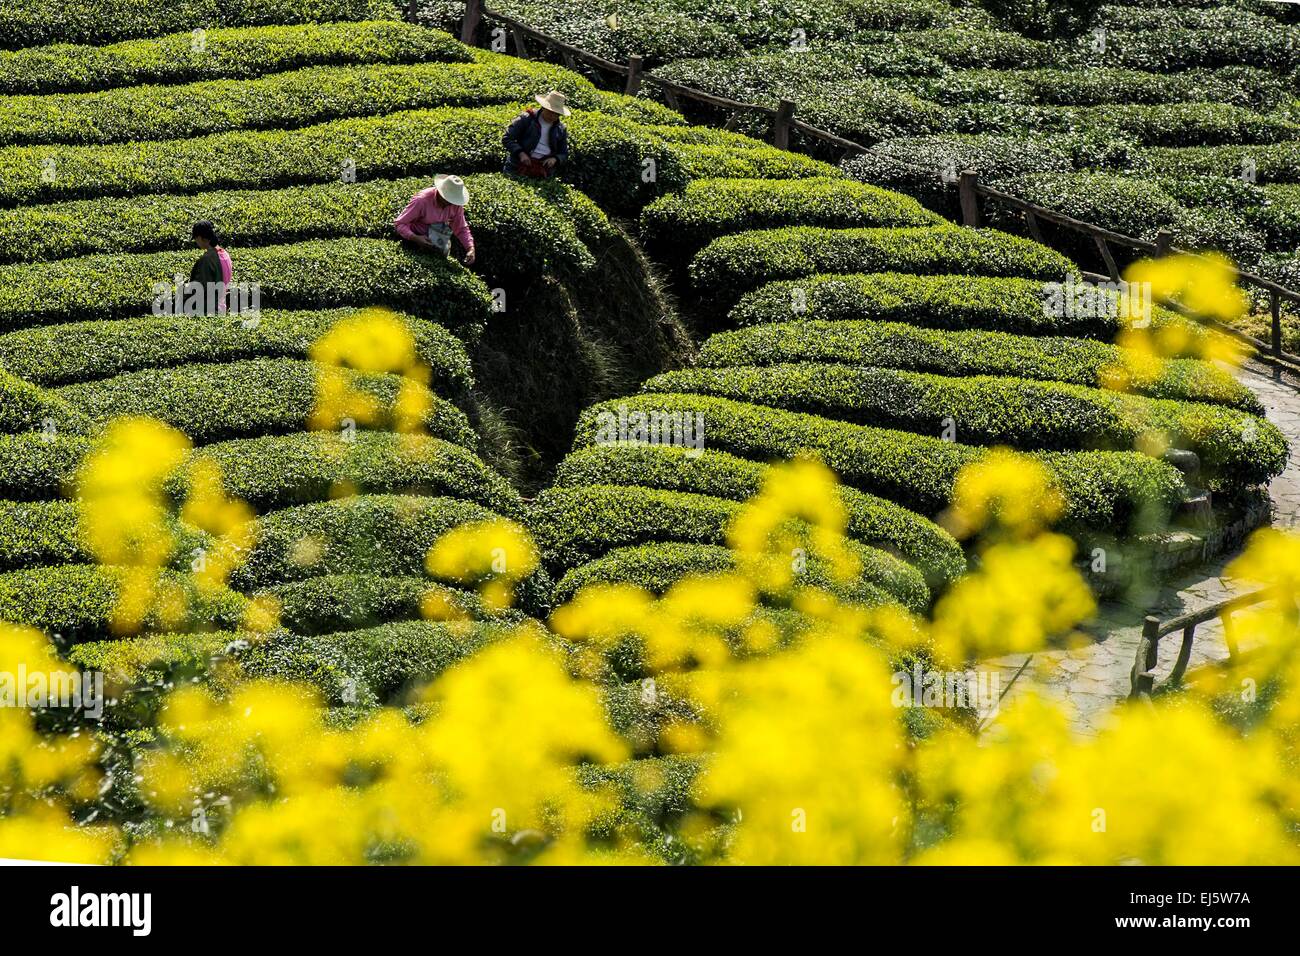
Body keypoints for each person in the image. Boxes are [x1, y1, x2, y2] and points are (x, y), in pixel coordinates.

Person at [393, 174, 476, 264]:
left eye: (452, 201)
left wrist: (470, 248)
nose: (450, 204)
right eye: (447, 199)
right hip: (413, 243)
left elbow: (461, 228)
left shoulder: (455, 205)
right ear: (440, 193)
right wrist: (415, 238)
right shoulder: (421, 201)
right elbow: (400, 224)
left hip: (438, 243)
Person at [503, 90, 571, 178]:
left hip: (544, 171)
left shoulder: (560, 129)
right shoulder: (526, 119)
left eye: (556, 114)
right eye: (550, 112)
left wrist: (555, 159)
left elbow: (563, 153)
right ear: (543, 108)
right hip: (517, 167)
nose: (552, 116)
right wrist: (521, 153)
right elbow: (507, 138)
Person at [189, 220, 233, 315]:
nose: (196, 242)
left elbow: (200, 287)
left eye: (196, 239)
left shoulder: (207, 259)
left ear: (200, 237)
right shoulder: (225, 254)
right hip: (222, 307)